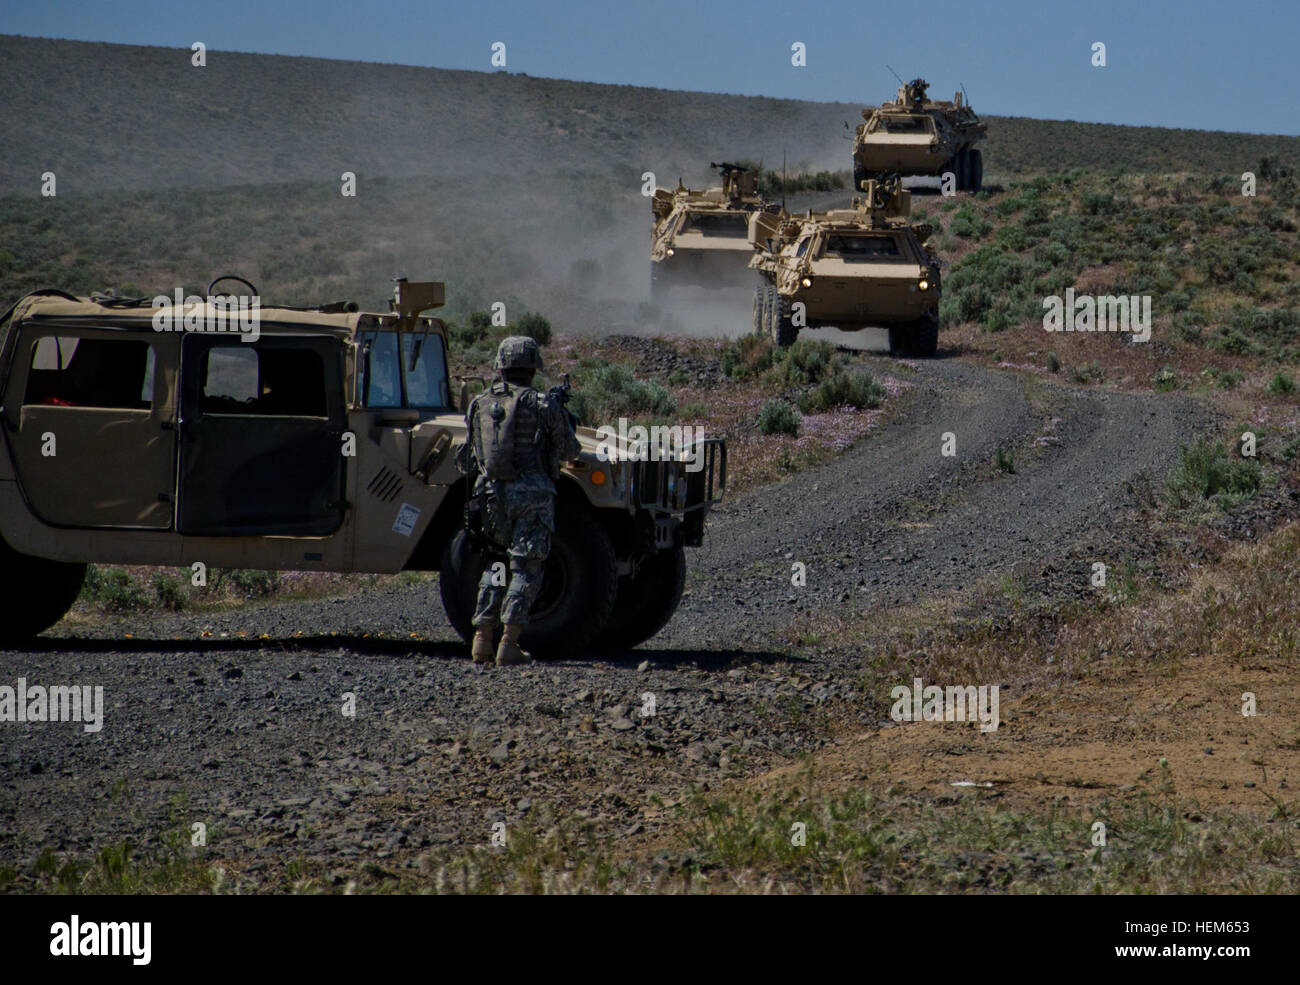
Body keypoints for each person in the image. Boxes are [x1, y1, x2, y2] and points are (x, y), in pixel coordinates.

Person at [457, 336, 580, 666]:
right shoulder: (541, 404)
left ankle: (481, 640)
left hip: (490, 495)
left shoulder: (479, 404)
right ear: (533, 368)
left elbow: (466, 458)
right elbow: (571, 451)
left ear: (500, 365)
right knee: (526, 568)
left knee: (495, 563)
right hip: (532, 497)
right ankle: (509, 643)